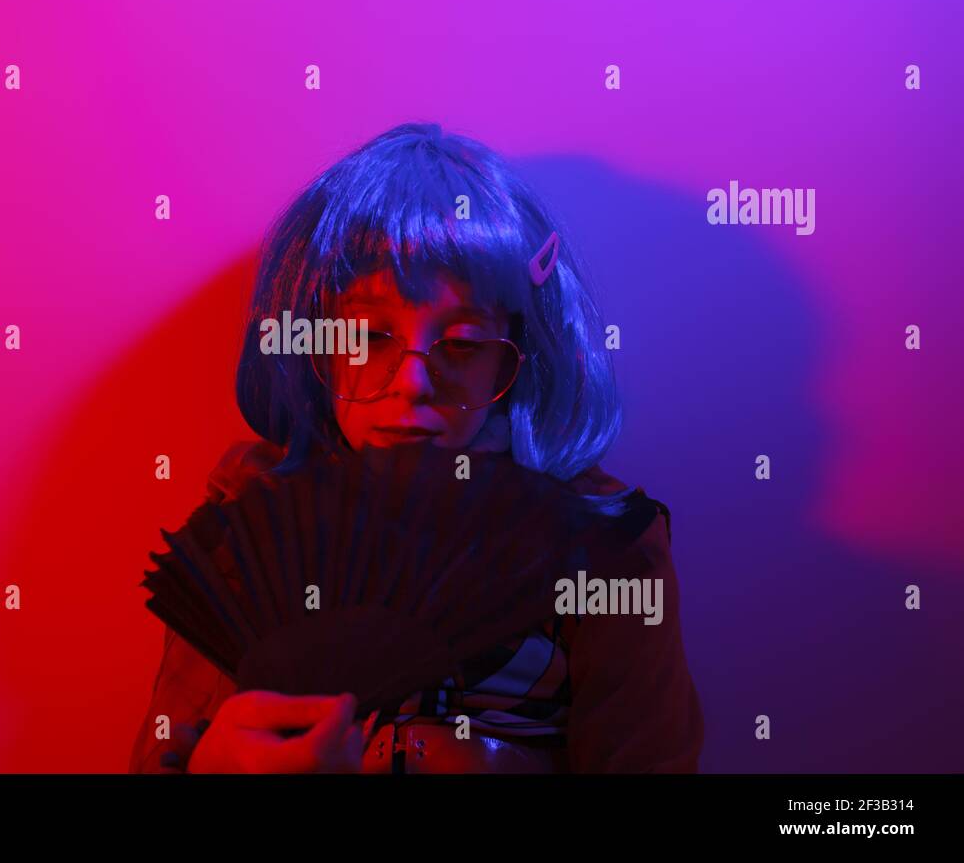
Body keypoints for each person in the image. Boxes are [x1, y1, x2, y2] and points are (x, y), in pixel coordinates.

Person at [128, 122, 704, 773]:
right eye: (370, 336)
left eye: (460, 344)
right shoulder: (249, 534)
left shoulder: (603, 544)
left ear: (516, 356)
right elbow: (160, 755)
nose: (413, 381)